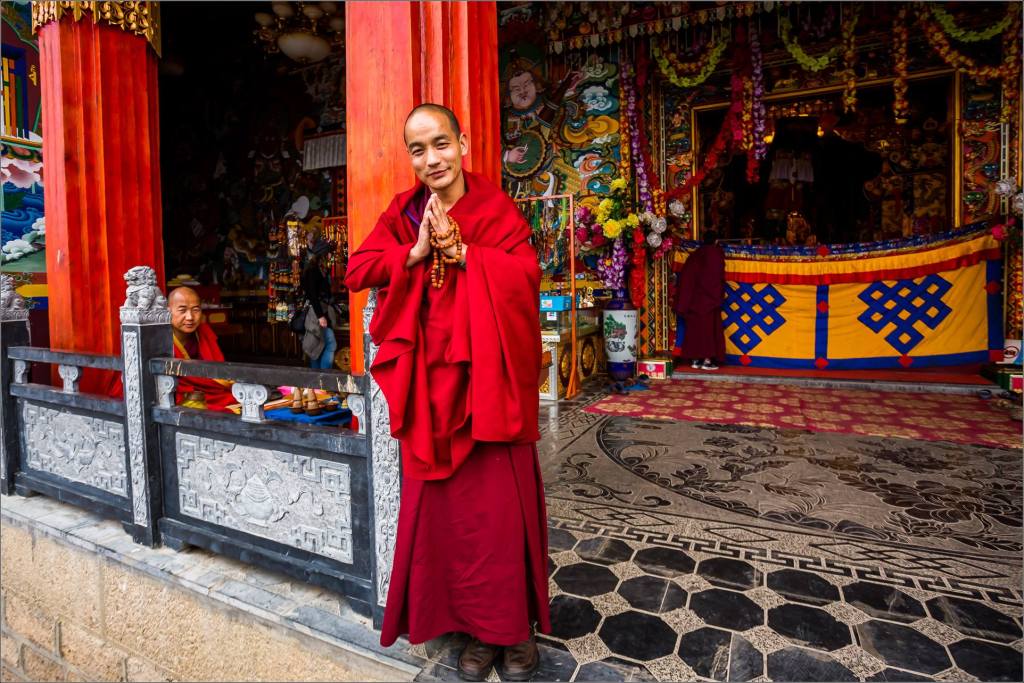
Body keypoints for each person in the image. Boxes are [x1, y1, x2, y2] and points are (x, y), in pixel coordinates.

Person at [345, 103, 548, 682]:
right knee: (449, 517)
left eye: (440, 143)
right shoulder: (406, 212)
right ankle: (473, 630)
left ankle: (511, 632)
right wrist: (411, 254)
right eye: (417, 149)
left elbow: (527, 277)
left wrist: (468, 257)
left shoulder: (495, 209)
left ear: (463, 142)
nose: (430, 159)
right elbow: (359, 268)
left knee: (498, 514)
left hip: (490, 382)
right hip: (431, 387)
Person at [109, 286, 234, 410]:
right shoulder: (156, 338)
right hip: (173, 394)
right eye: (182, 310)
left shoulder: (203, 332)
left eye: (196, 310)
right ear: (168, 311)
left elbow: (217, 373)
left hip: (208, 392)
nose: (190, 317)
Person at [674, 231, 726, 370]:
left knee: (695, 331)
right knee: (708, 332)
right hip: (709, 301)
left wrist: (684, 301)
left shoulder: (695, 255)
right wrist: (717, 297)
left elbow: (686, 278)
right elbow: (716, 279)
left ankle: (695, 360)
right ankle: (707, 361)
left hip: (694, 300)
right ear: (716, 241)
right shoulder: (716, 255)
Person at [301, 238, 340, 369]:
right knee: (330, 344)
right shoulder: (313, 271)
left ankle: (317, 381)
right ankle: (324, 378)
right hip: (316, 314)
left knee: (318, 346)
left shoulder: (320, 270)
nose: (330, 256)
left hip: (321, 312)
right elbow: (312, 295)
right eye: (329, 253)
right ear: (323, 254)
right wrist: (320, 316)